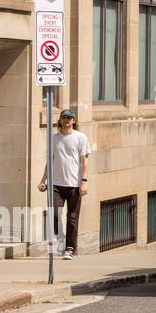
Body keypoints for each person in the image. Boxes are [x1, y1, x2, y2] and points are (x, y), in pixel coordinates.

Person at [37, 108, 91, 259]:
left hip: (74, 183)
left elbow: (85, 161)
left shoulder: (81, 137)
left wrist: (84, 182)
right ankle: (60, 240)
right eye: (64, 118)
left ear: (73, 121)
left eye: (69, 118)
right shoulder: (54, 138)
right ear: (60, 120)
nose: (66, 120)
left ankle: (69, 248)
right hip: (56, 184)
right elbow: (50, 161)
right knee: (54, 214)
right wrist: (43, 181)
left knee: (72, 218)